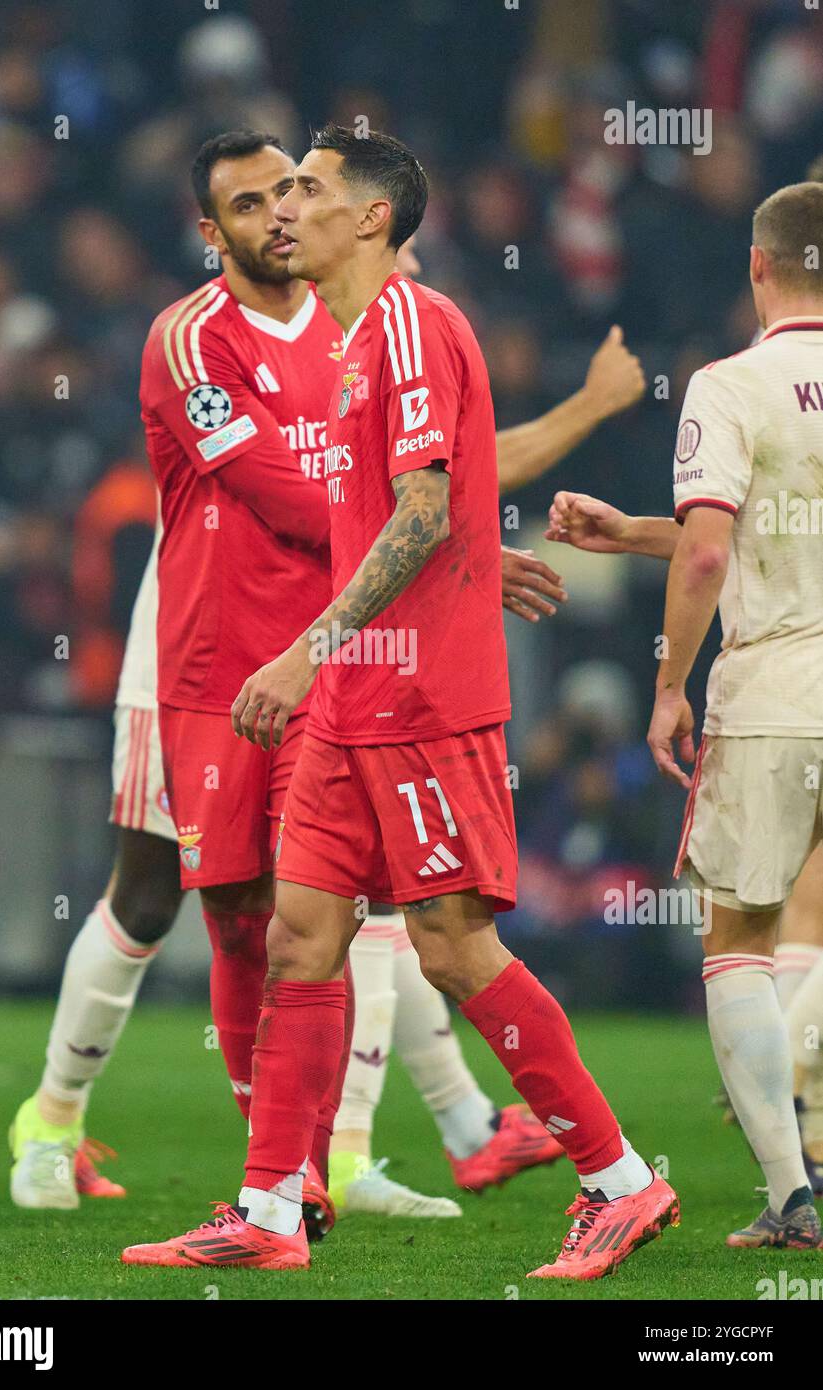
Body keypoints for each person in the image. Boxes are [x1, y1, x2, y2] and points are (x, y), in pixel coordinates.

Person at [9, 130, 647, 1219]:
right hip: (218, 664)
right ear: (214, 233)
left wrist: (500, 494)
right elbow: (306, 497)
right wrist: (453, 548)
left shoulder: (372, 324)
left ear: (360, 218)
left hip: (347, 657)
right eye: (255, 202)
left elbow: (440, 470)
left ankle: (335, 1165)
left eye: (294, 190)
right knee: (223, 909)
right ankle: (66, 1120)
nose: (279, 214)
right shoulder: (191, 339)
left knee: (367, 919)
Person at [545, 179, 823, 1248]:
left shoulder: (729, 383)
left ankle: (791, 1194)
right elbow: (740, 531)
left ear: (758, 266)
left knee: (739, 939)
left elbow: (716, 546)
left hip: (774, 694)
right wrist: (628, 532)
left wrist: (667, 684)